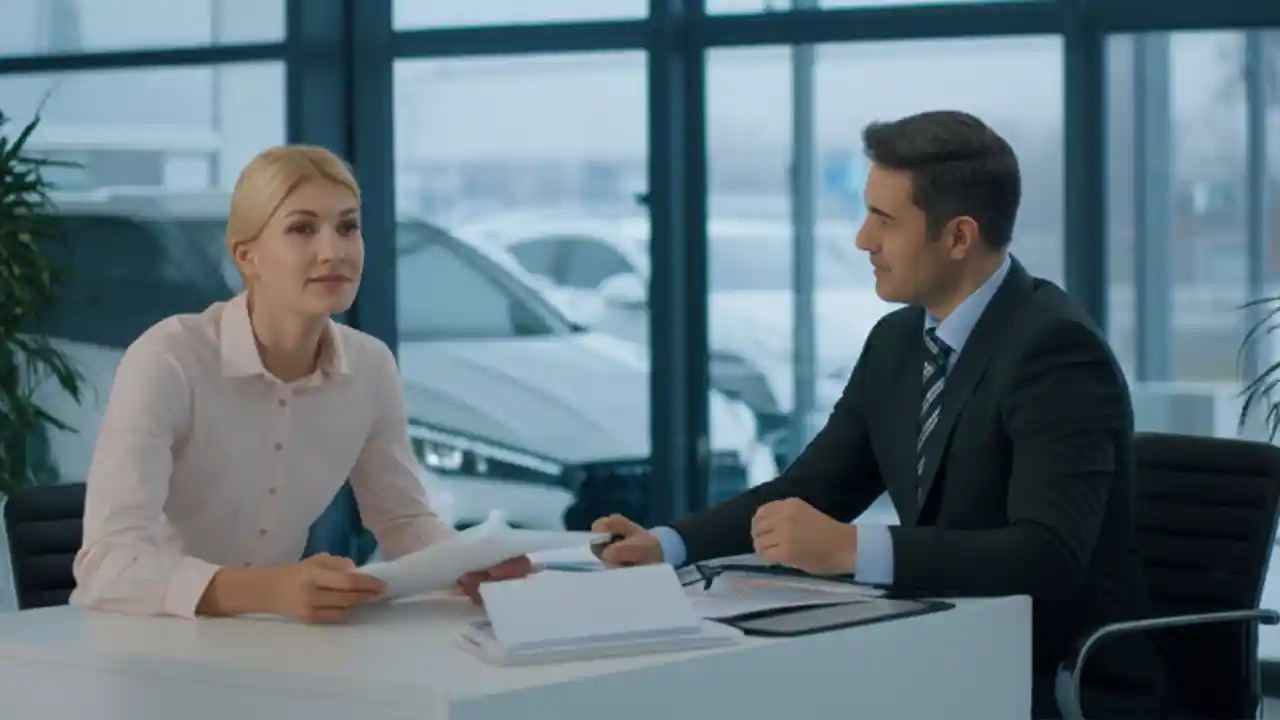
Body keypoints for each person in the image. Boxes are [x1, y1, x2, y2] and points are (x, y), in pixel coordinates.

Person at [593, 111, 1169, 718]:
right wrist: (670, 545)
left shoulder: (1054, 351)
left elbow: (1046, 556)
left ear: (958, 238)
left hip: (1052, 678)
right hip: (940, 650)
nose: (863, 240)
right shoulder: (898, 342)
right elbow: (811, 489)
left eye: (885, 220)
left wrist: (851, 549)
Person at [71, 145, 530, 623]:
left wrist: (466, 566)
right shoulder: (170, 358)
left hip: (269, 640)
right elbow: (107, 564)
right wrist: (267, 589)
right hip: (135, 638)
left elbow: (404, 521)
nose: (333, 250)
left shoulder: (370, 366)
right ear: (247, 256)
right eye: (302, 228)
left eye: (347, 226)